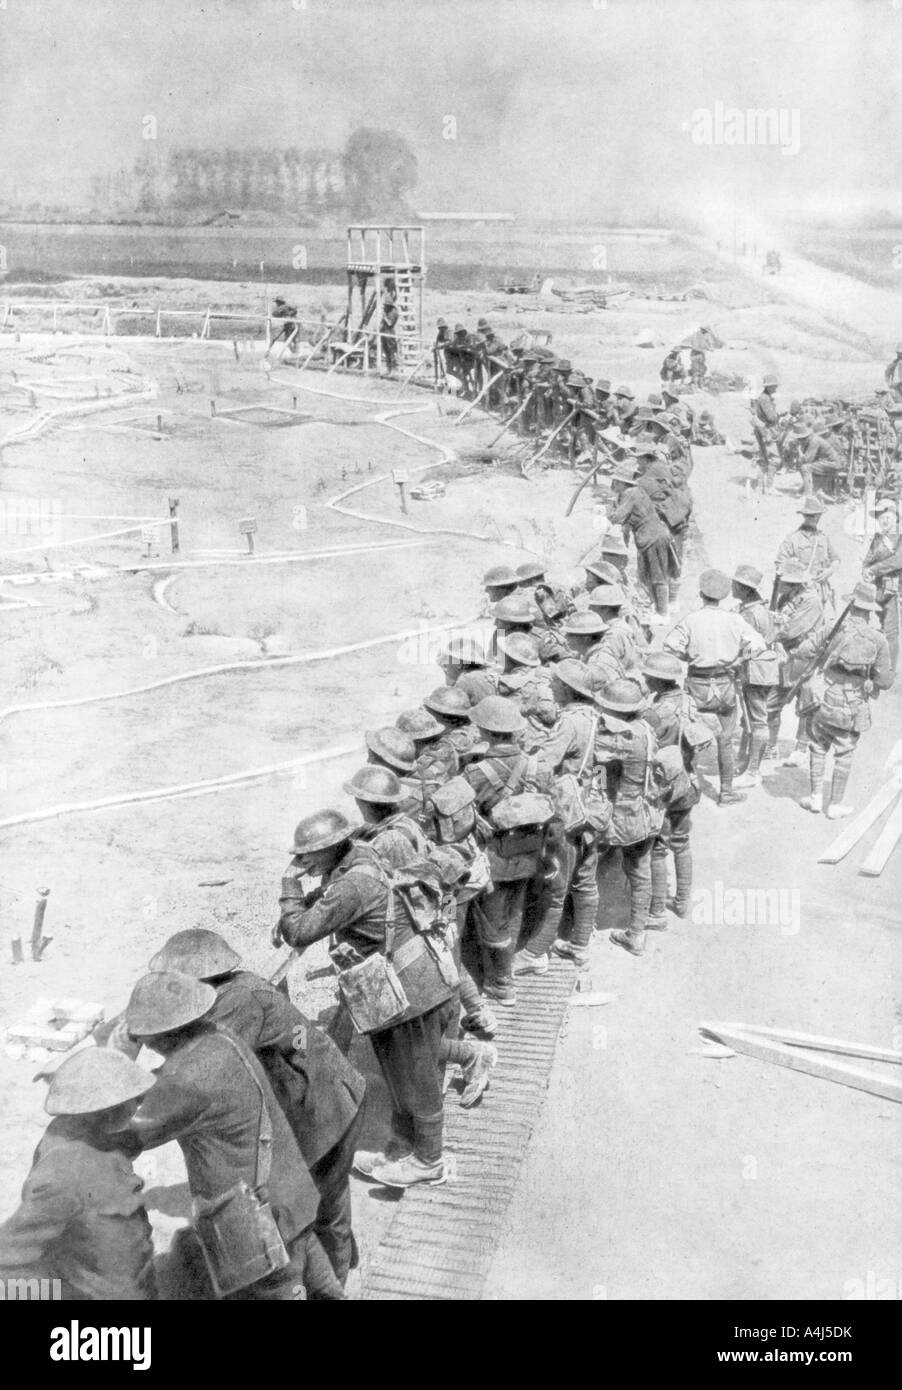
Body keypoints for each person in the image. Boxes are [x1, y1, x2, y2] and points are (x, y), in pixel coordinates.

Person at [146, 929, 365, 1289]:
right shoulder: (235, 988)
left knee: (323, 1207)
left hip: (325, 1106)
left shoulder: (234, 1002)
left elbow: (202, 1068)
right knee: (325, 1201)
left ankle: (336, 1279)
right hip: (321, 1095)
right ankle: (335, 1272)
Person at [276, 810, 458, 1189]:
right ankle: (400, 1151)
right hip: (401, 982)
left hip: (411, 990)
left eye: (307, 855)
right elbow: (330, 896)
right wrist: (308, 897)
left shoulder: (351, 885)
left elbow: (299, 932)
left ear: (331, 848)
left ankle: (429, 1161)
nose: (300, 862)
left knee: (417, 1076)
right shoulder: (358, 854)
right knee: (399, 1072)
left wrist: (290, 887)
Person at [0, 1049, 157, 1301]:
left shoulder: (100, 1135)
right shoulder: (63, 1174)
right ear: (104, 1110)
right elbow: (10, 1254)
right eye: (131, 1101)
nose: (136, 1106)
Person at [463, 696, 556, 1006]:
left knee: (491, 921)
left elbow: (461, 818)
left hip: (494, 860)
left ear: (486, 732)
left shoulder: (476, 773)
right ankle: (505, 972)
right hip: (530, 855)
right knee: (514, 912)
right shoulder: (536, 765)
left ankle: (501, 985)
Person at [514, 659, 601, 970]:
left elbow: (545, 763)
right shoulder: (594, 717)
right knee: (585, 880)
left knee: (555, 886)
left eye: (556, 685)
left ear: (567, 688)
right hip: (589, 807)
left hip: (566, 812)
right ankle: (580, 947)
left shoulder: (569, 723)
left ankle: (535, 953)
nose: (551, 689)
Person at [663, 568, 766, 805]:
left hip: (697, 683)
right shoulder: (734, 619)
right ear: (724, 595)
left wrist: (688, 657)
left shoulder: (690, 620)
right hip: (725, 684)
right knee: (726, 739)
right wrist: (739, 659)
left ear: (701, 593)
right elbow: (759, 645)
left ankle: (685, 788)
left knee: (687, 735)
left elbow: (670, 646)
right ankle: (726, 792)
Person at [800, 582, 894, 817]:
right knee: (845, 752)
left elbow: (805, 650)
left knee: (818, 745)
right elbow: (885, 681)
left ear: (852, 604)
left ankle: (815, 798)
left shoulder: (833, 628)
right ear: (870, 610)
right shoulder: (878, 639)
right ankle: (835, 805)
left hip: (825, 696)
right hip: (853, 703)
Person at [594, 678, 663, 957]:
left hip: (622, 811)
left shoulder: (621, 737)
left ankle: (579, 933)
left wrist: (595, 790)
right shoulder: (645, 729)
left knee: (586, 868)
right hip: (646, 809)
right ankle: (636, 933)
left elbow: (602, 775)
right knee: (640, 871)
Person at [641, 651, 699, 924]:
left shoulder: (657, 713)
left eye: (648, 676)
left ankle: (656, 912)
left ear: (656, 680)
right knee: (682, 843)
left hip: (664, 787)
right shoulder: (687, 700)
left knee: (657, 849)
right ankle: (683, 901)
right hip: (687, 781)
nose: (644, 679)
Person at [764, 562, 827, 770]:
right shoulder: (787, 597)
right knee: (772, 702)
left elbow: (791, 630)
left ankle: (801, 748)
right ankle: (771, 745)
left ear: (795, 584)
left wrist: (771, 629)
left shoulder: (811, 602)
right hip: (784, 656)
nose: (780, 585)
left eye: (785, 582)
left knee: (806, 705)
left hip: (802, 658)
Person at [730, 565, 782, 789]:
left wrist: (737, 661)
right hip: (763, 668)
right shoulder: (756, 608)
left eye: (736, 585)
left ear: (744, 589)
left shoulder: (750, 614)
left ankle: (752, 771)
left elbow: (749, 645)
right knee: (750, 720)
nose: (732, 587)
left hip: (756, 670)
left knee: (757, 721)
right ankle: (744, 762)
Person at [607, 460, 675, 620]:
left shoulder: (631, 493)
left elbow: (618, 517)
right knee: (645, 576)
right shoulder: (634, 492)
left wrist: (607, 513)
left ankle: (663, 613)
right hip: (650, 535)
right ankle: (656, 607)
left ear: (620, 482)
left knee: (658, 576)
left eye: (615, 482)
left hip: (653, 535)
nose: (613, 485)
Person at [774, 498, 839, 611]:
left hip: (820, 592)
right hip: (799, 593)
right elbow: (780, 565)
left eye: (817, 515)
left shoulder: (823, 538)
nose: (815, 518)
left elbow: (835, 558)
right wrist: (794, 570)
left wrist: (830, 570)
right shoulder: (792, 539)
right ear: (804, 516)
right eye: (810, 515)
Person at [863, 498, 902, 671]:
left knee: (891, 631)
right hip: (876, 589)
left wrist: (874, 570)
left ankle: (889, 670)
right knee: (874, 625)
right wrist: (864, 569)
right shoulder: (878, 539)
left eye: (888, 517)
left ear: (896, 518)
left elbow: (898, 561)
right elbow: (868, 559)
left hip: (894, 590)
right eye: (881, 518)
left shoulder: (900, 538)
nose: (884, 520)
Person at [753, 372, 781, 493]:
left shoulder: (763, 397)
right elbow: (771, 418)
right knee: (775, 459)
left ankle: (760, 486)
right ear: (768, 386)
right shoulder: (765, 399)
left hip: (762, 430)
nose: (776, 387)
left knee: (763, 458)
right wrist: (778, 415)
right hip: (767, 431)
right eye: (774, 385)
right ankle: (770, 487)